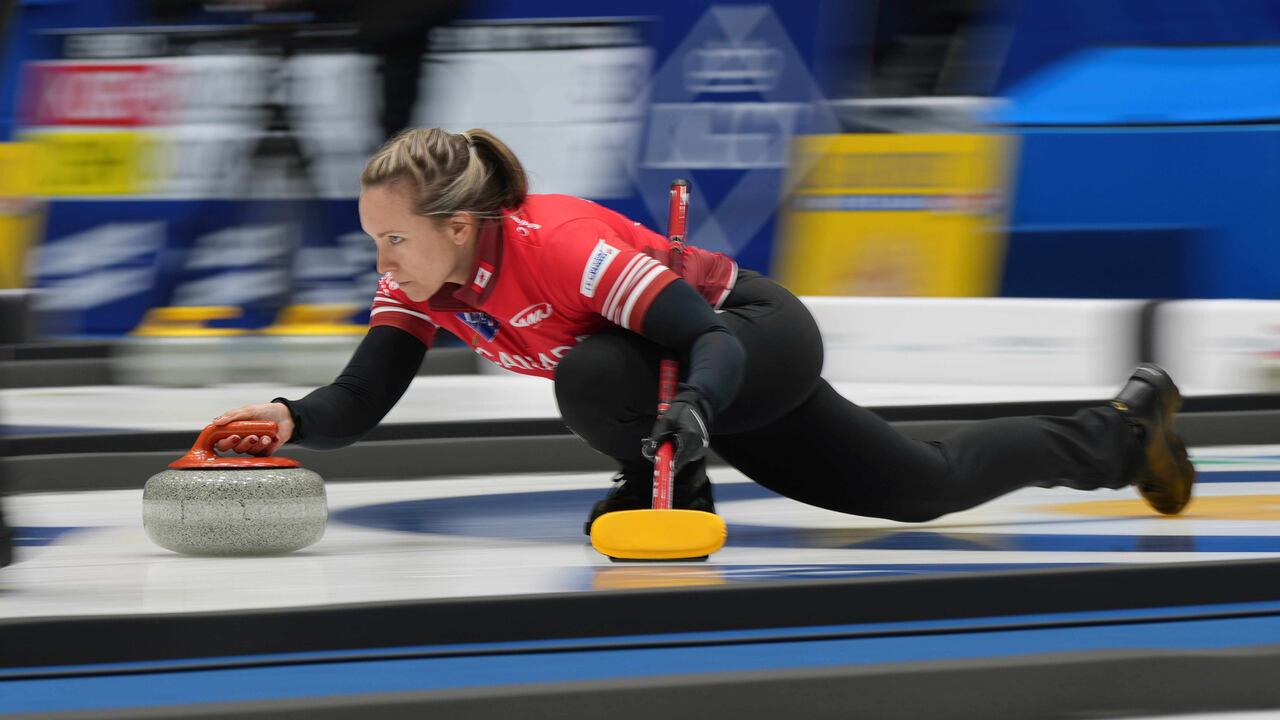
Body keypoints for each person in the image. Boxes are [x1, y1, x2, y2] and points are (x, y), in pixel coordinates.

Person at [211, 127, 1197, 536]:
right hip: (676, 386)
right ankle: (1122, 432)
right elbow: (361, 399)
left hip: (750, 337)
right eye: (371, 242)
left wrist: (691, 414)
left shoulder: (558, 243)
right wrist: (289, 422)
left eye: (392, 239)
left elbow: (712, 340)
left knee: (594, 371)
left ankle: (674, 480)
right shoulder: (423, 287)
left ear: (458, 226)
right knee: (917, 489)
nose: (380, 262)